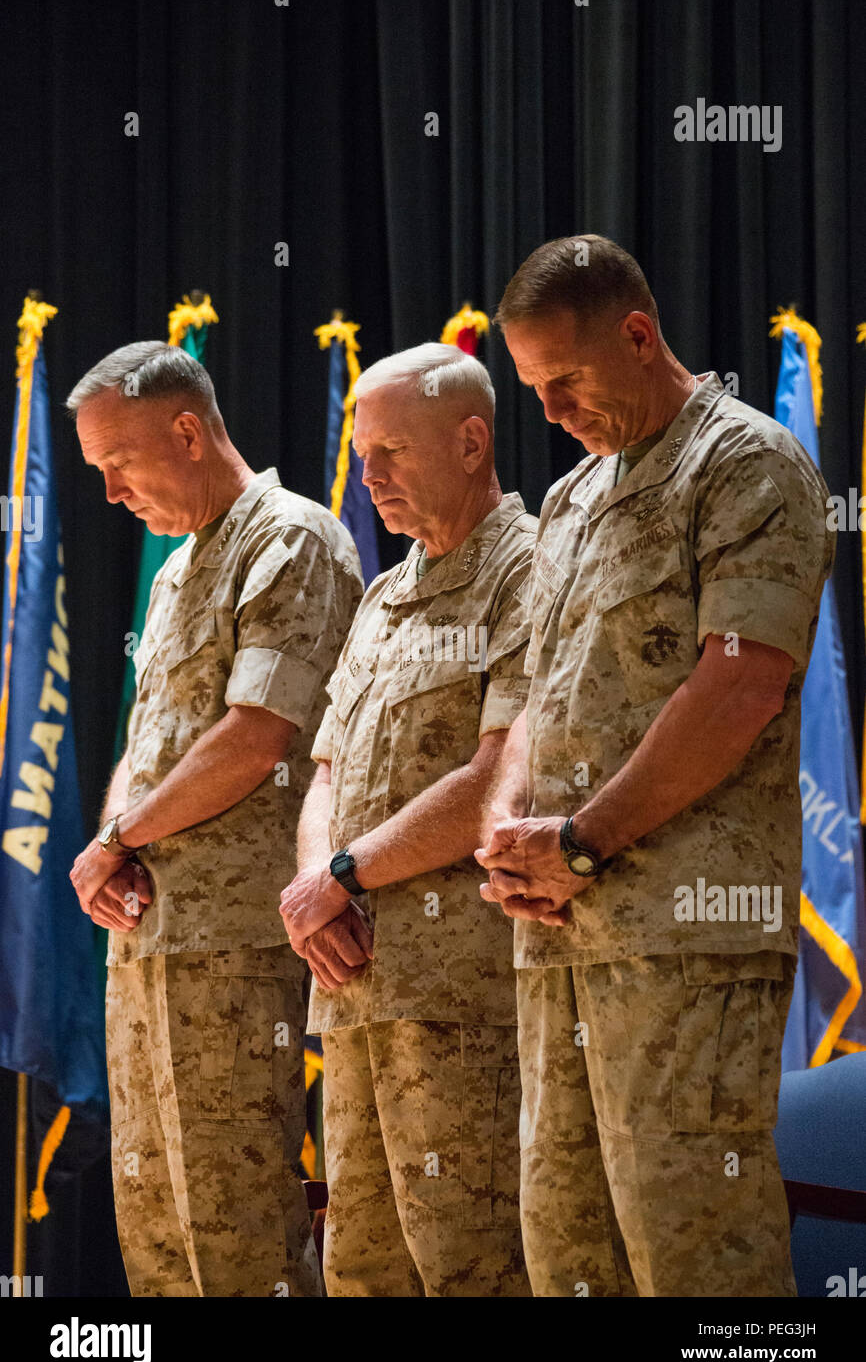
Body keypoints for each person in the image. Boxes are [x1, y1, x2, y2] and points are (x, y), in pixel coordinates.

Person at [476, 234, 835, 1297]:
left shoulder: (745, 463)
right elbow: (539, 697)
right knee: (567, 1254)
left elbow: (739, 686)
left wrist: (583, 840)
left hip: (685, 937)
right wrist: (510, 844)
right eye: (531, 388)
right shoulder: (569, 504)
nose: (547, 413)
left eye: (565, 381)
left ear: (637, 336)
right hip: (558, 939)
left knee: (694, 1256)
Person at [67, 341, 363, 1297]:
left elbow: (257, 736)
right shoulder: (172, 572)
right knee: (155, 1230)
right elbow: (145, 747)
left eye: (119, 464)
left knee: (241, 1232)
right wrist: (113, 843)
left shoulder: (292, 540)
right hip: (152, 943)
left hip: (240, 949)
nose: (111, 494)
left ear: (188, 430)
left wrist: (120, 839)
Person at [280, 343, 535, 1297]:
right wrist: (317, 893)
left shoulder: (529, 565)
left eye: (390, 449)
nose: (367, 474)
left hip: (466, 1001)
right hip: (354, 993)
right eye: (360, 451)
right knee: (362, 1272)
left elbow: (495, 774)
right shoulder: (384, 598)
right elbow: (328, 771)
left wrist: (340, 878)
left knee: (477, 1267)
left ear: (472, 442)